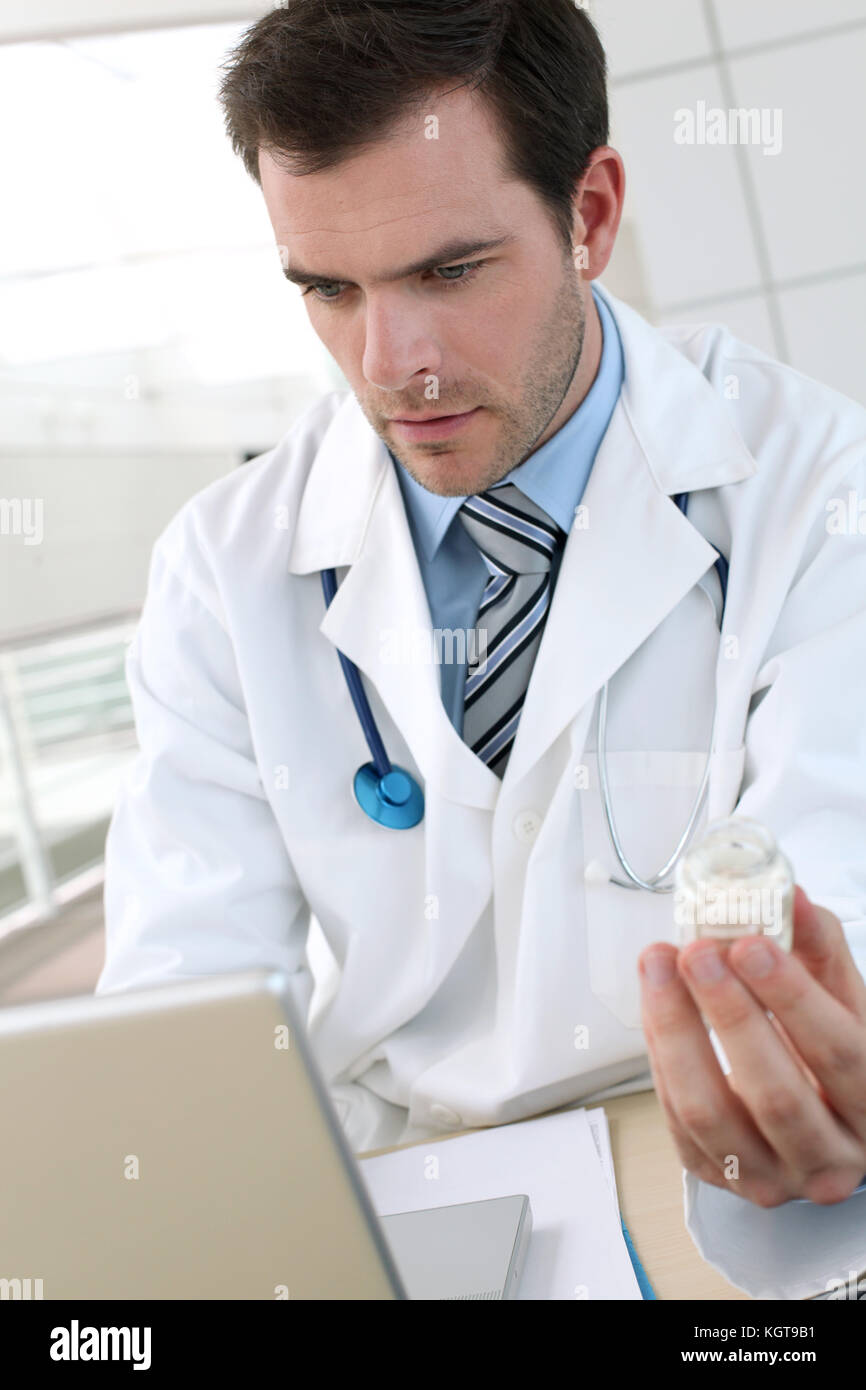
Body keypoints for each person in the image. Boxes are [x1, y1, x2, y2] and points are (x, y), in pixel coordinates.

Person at [97, 1, 866, 1299]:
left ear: (591, 212)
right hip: (407, 1185)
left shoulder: (811, 488)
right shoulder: (223, 567)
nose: (393, 366)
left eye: (449, 272)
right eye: (328, 290)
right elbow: (187, 1015)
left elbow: (835, 917)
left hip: (709, 1171)